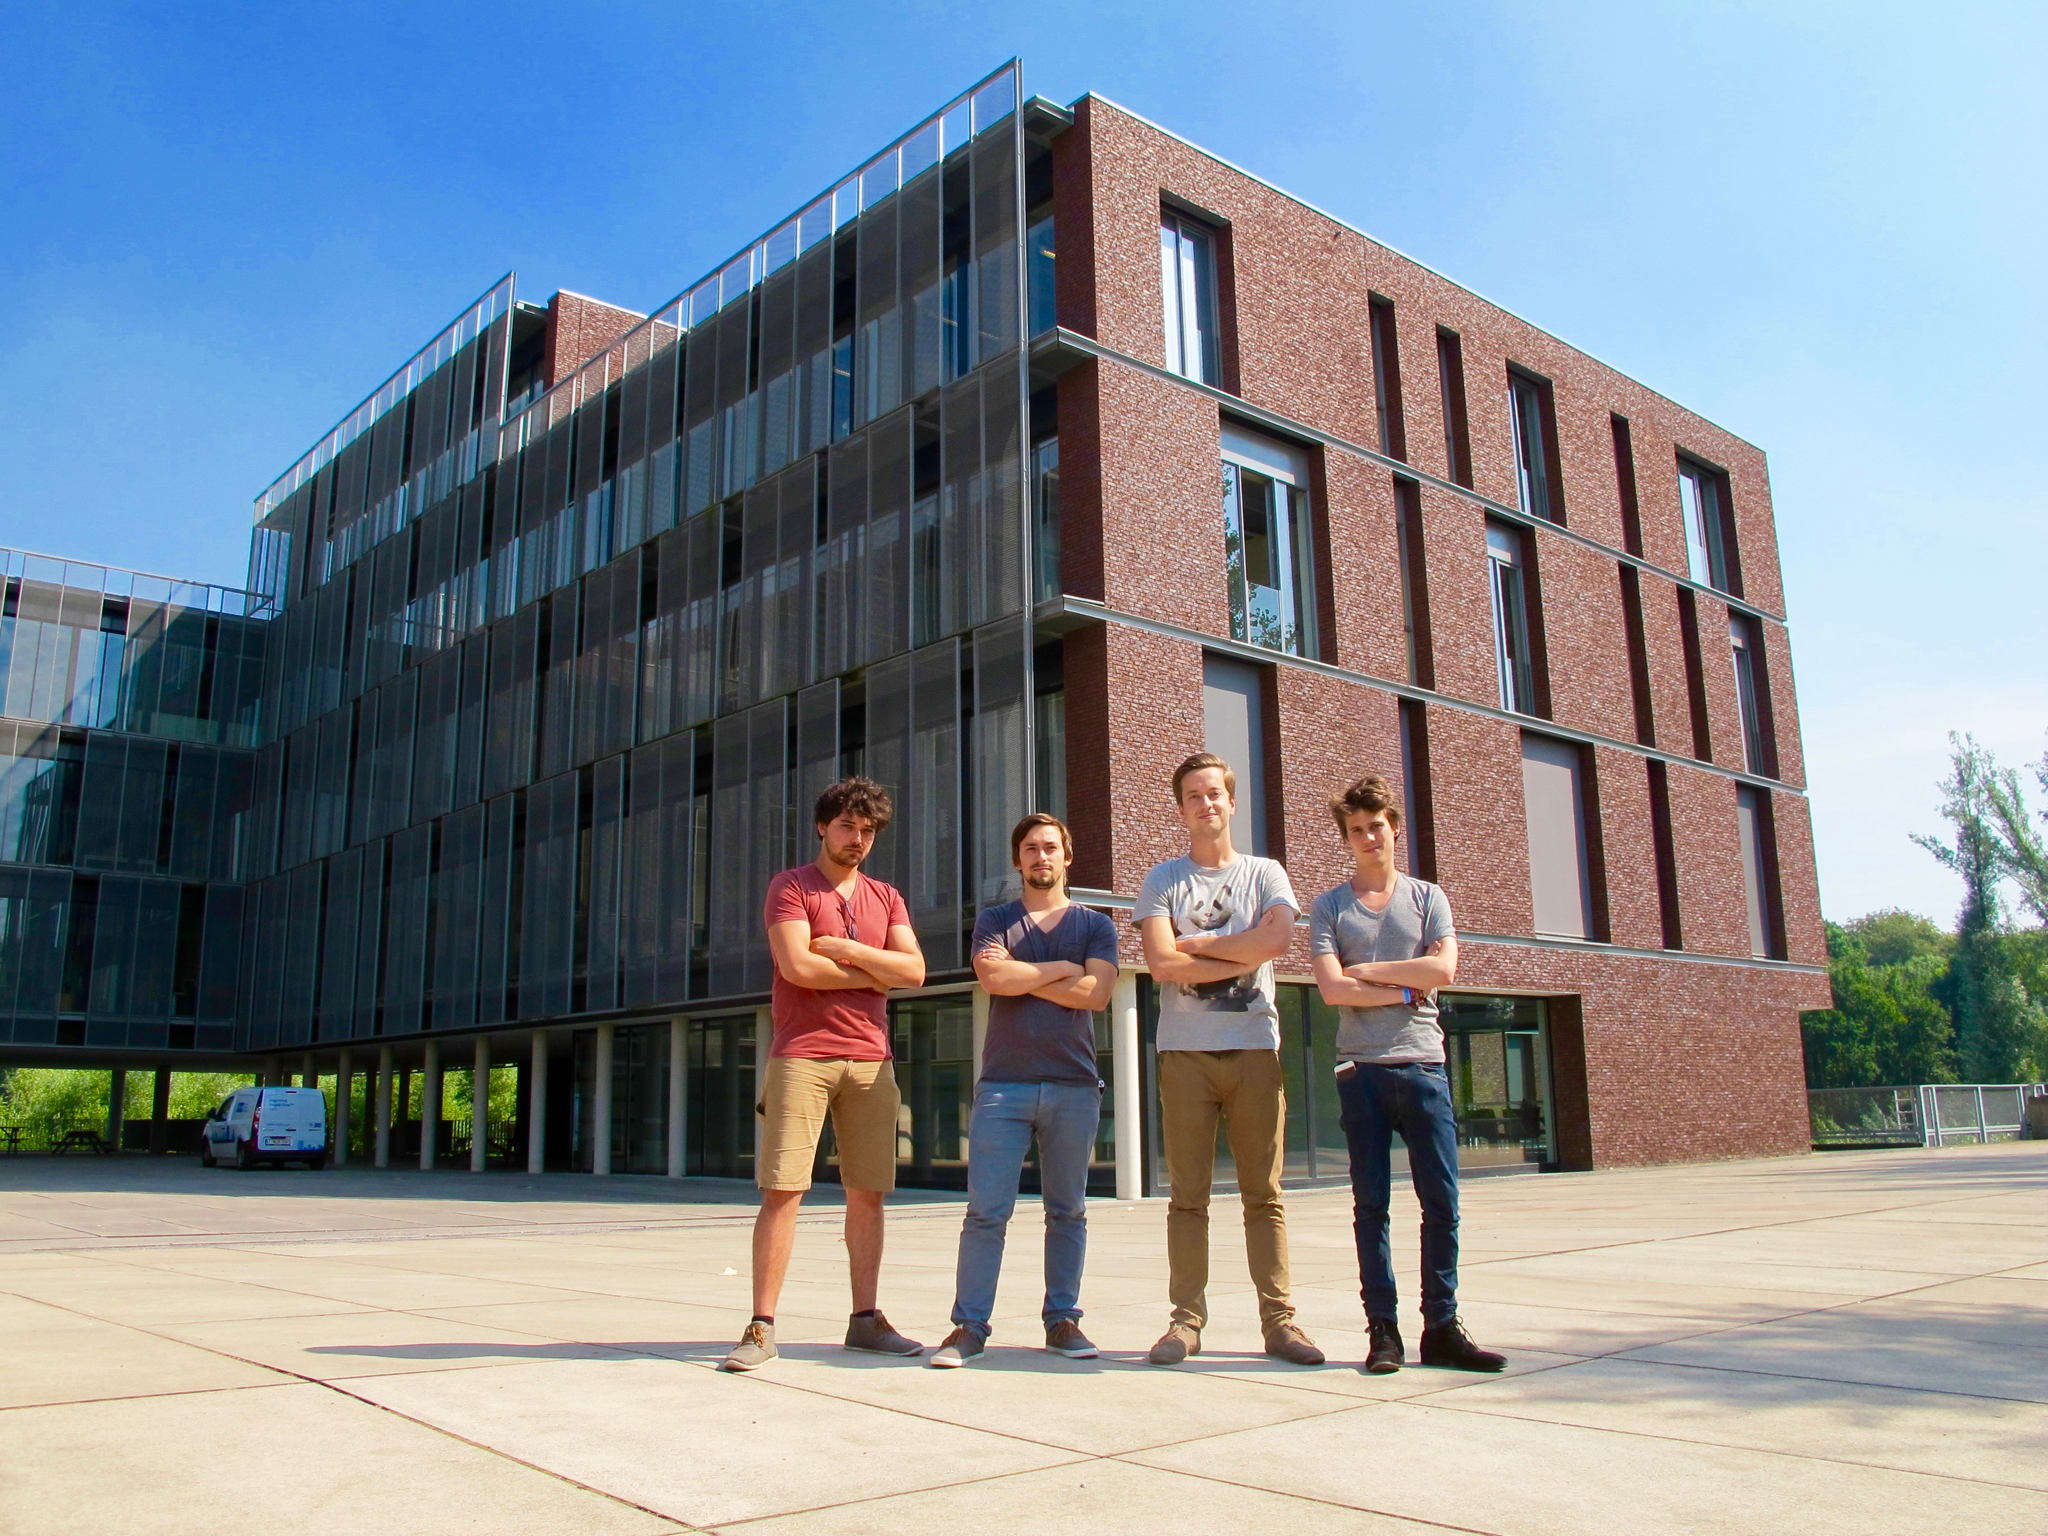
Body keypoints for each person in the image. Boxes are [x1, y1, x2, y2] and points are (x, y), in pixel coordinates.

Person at [721, 776, 928, 1372]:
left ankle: (865, 1320)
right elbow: (797, 967)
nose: (857, 839)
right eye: (847, 827)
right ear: (822, 826)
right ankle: (761, 1327)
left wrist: (848, 950)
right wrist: (875, 971)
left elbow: (914, 971)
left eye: (867, 831)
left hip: (872, 1059)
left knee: (869, 1193)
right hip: (802, 1055)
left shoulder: (886, 897)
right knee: (784, 1190)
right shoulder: (790, 887)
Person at [1308, 774, 1505, 1374]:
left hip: (1424, 1067)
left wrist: (1371, 974)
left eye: (1377, 827)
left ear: (1395, 829)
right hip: (1361, 1074)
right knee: (1371, 1206)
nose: (1369, 837)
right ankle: (1383, 1334)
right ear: (1347, 838)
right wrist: (1403, 984)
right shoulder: (1330, 906)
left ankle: (1441, 1327)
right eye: (1357, 830)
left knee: (1441, 1202)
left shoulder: (1428, 898)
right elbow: (1329, 986)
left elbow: (1443, 969)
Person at [1134, 752, 1325, 1368]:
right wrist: (1236, 954)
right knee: (1187, 1197)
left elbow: (1275, 942)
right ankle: (1185, 1323)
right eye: (1193, 795)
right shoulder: (1163, 879)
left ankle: (1281, 1323)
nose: (1206, 803)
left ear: (1232, 801)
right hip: (1185, 1055)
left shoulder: (1267, 874)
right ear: (1181, 807)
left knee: (1262, 1195)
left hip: (1253, 1052)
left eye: (1215, 792)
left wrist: (1204, 945)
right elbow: (1162, 964)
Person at [930, 813, 1120, 1368]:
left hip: (1074, 1087)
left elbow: (1098, 994)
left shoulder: (1095, 924)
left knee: (1068, 1211)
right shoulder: (995, 919)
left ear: (1068, 857)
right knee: (986, 1212)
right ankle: (969, 1328)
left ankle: (1063, 1321)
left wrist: (1029, 974)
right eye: (1031, 849)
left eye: (1051, 848)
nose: (1041, 857)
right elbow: (994, 980)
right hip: (1002, 1089)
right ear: (1018, 860)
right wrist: (1062, 968)